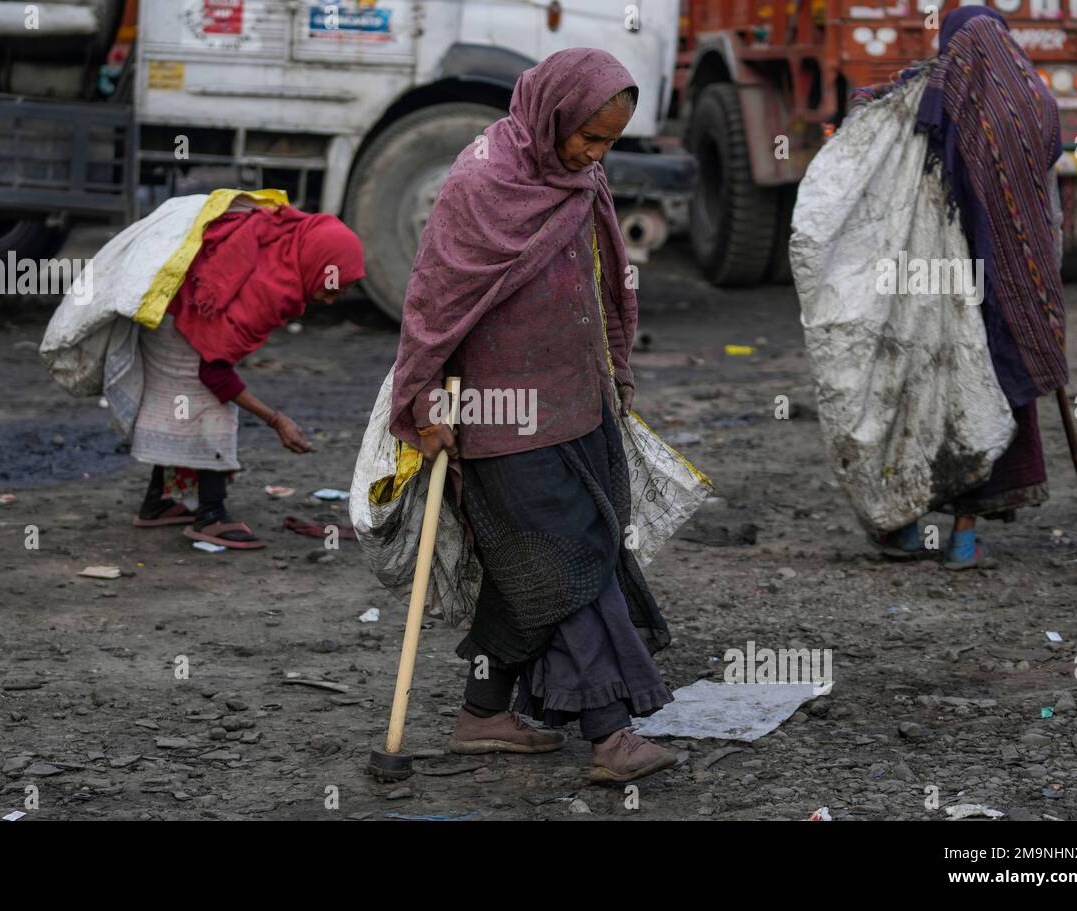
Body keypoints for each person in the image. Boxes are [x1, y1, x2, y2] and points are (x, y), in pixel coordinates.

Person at [389, 48, 677, 783]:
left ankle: (483, 710)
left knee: (532, 561)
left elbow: (606, 276)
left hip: (576, 401)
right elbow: (433, 303)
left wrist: (616, 365)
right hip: (500, 414)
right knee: (568, 559)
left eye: (607, 142)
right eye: (587, 136)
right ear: (552, 111)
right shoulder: (481, 182)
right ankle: (610, 734)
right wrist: (422, 402)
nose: (592, 153)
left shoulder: (577, 177)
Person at [860, 7, 1067, 570]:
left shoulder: (934, 95)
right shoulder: (1034, 99)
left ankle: (902, 529)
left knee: (918, 392)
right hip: (1007, 290)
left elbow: (871, 131)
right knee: (987, 395)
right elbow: (1045, 193)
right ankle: (964, 540)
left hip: (929, 285)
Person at [131, 204, 365, 549]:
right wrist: (276, 420)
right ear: (318, 263)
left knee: (185, 405)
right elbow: (214, 372)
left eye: (340, 294)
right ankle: (210, 516)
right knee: (212, 408)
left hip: (176, 307)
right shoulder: (268, 290)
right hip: (173, 317)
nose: (331, 301)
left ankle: (158, 502)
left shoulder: (287, 249)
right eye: (332, 289)